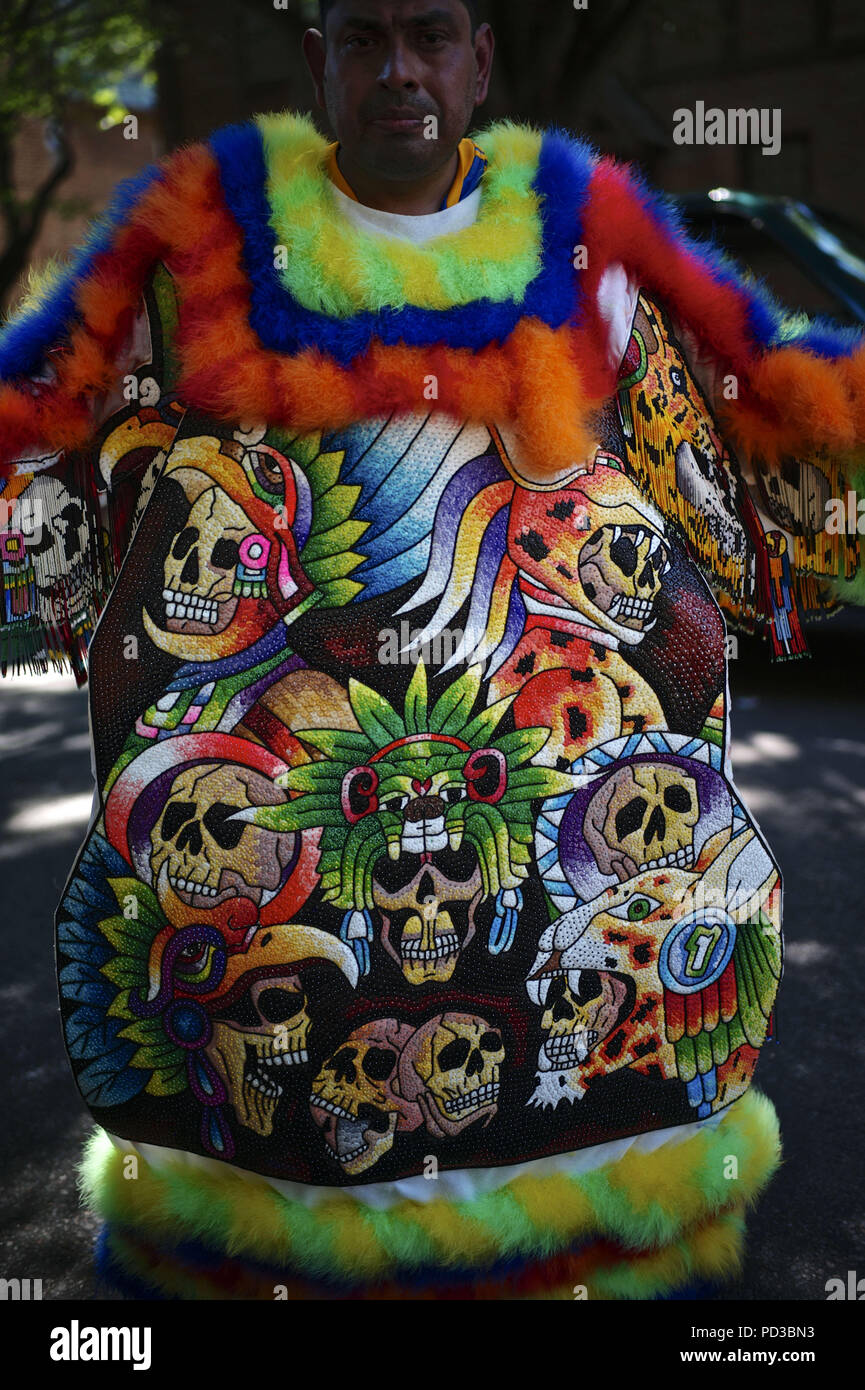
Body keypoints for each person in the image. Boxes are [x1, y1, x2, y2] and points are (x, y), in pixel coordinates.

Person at [0, 0, 860, 1301]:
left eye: (428, 33)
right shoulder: (191, 260)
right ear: (317, 60)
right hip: (283, 929)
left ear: (477, 58)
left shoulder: (595, 256)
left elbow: (742, 478)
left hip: (563, 925)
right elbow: (49, 446)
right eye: (363, 38)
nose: (397, 68)